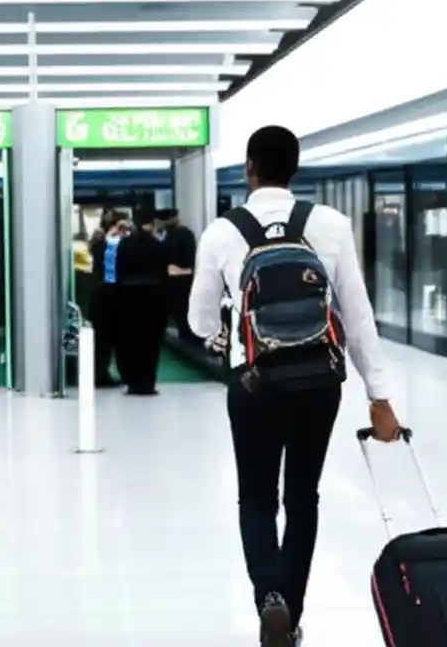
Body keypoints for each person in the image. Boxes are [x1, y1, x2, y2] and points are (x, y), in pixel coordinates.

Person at [188, 126, 400, 647]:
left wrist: (226, 333)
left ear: (248, 169)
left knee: (257, 497)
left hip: (254, 381)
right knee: (303, 496)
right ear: (296, 169)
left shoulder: (222, 231)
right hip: (318, 382)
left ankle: (269, 598)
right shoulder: (329, 225)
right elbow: (357, 314)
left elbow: (197, 320)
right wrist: (380, 396)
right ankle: (294, 613)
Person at [115, 207, 169, 396]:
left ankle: (132, 381)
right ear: (152, 223)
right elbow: (164, 274)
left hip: (128, 297)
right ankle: (147, 383)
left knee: (129, 340)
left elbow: (118, 272)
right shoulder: (158, 245)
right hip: (153, 297)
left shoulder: (125, 244)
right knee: (151, 342)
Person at [88, 211, 129, 388]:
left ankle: (119, 372)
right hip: (106, 298)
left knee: (117, 340)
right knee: (103, 341)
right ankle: (100, 374)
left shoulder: (124, 244)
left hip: (114, 297)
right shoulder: (102, 244)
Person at [157, 208, 198, 343]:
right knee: (180, 315)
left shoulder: (180, 235)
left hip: (180, 283)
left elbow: (189, 263)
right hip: (177, 283)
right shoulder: (172, 235)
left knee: (182, 314)